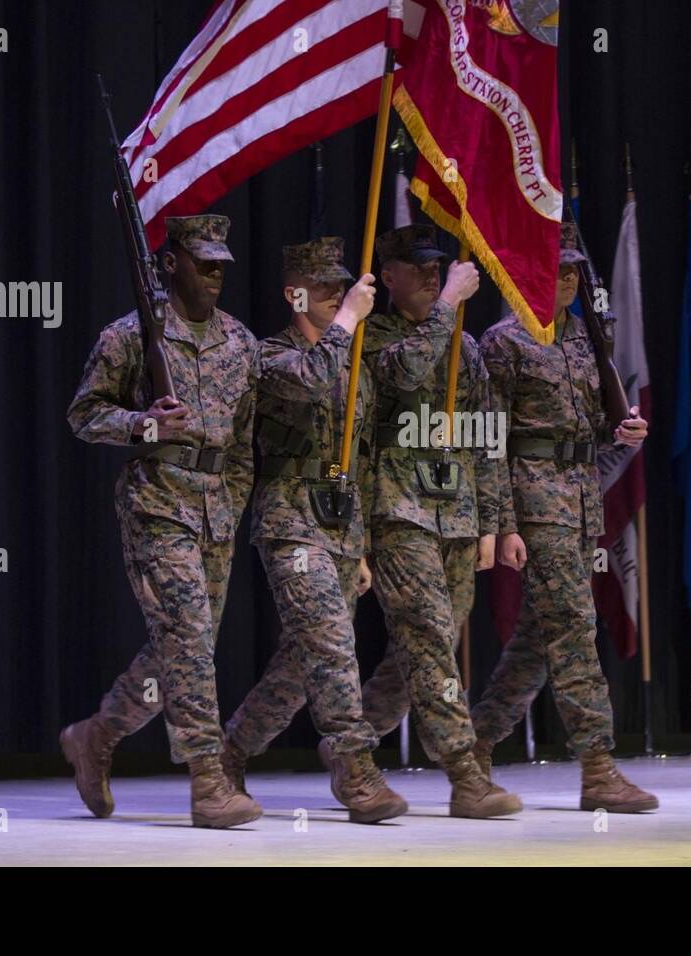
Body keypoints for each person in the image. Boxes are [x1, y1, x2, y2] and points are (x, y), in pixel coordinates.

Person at [61, 214, 261, 828]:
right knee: (191, 645)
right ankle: (208, 780)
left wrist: (231, 497)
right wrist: (143, 425)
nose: (215, 273)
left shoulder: (241, 343)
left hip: (215, 510)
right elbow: (84, 414)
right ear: (170, 263)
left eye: (221, 262)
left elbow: (245, 440)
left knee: (178, 649)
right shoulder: (129, 336)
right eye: (203, 261)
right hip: (156, 503)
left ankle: (96, 735)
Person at [472, 221, 658, 813]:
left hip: (579, 498)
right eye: (558, 268)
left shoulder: (584, 338)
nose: (569, 278)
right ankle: (598, 770)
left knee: (536, 641)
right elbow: (489, 440)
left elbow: (587, 423)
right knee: (575, 631)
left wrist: (621, 430)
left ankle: (472, 744)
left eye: (575, 268)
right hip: (535, 502)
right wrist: (502, 522)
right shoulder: (503, 344)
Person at [220, 236, 408, 824]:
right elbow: (308, 377)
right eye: (323, 287)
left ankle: (231, 750)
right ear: (292, 293)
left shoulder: (357, 367)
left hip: (341, 528)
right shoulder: (267, 356)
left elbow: (366, 459)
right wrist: (350, 318)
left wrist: (364, 545)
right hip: (291, 524)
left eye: (341, 286)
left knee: (301, 667)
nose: (335, 295)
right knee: (330, 643)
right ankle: (355, 770)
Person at [347, 224, 522, 818]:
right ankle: (464, 773)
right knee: (426, 639)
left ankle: (352, 747)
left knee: (429, 649)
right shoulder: (370, 336)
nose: (430, 276)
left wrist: (498, 522)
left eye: (437, 268)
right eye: (418, 268)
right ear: (388, 276)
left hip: (458, 515)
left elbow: (487, 439)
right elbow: (404, 374)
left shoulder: (465, 349)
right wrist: (448, 305)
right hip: (399, 511)